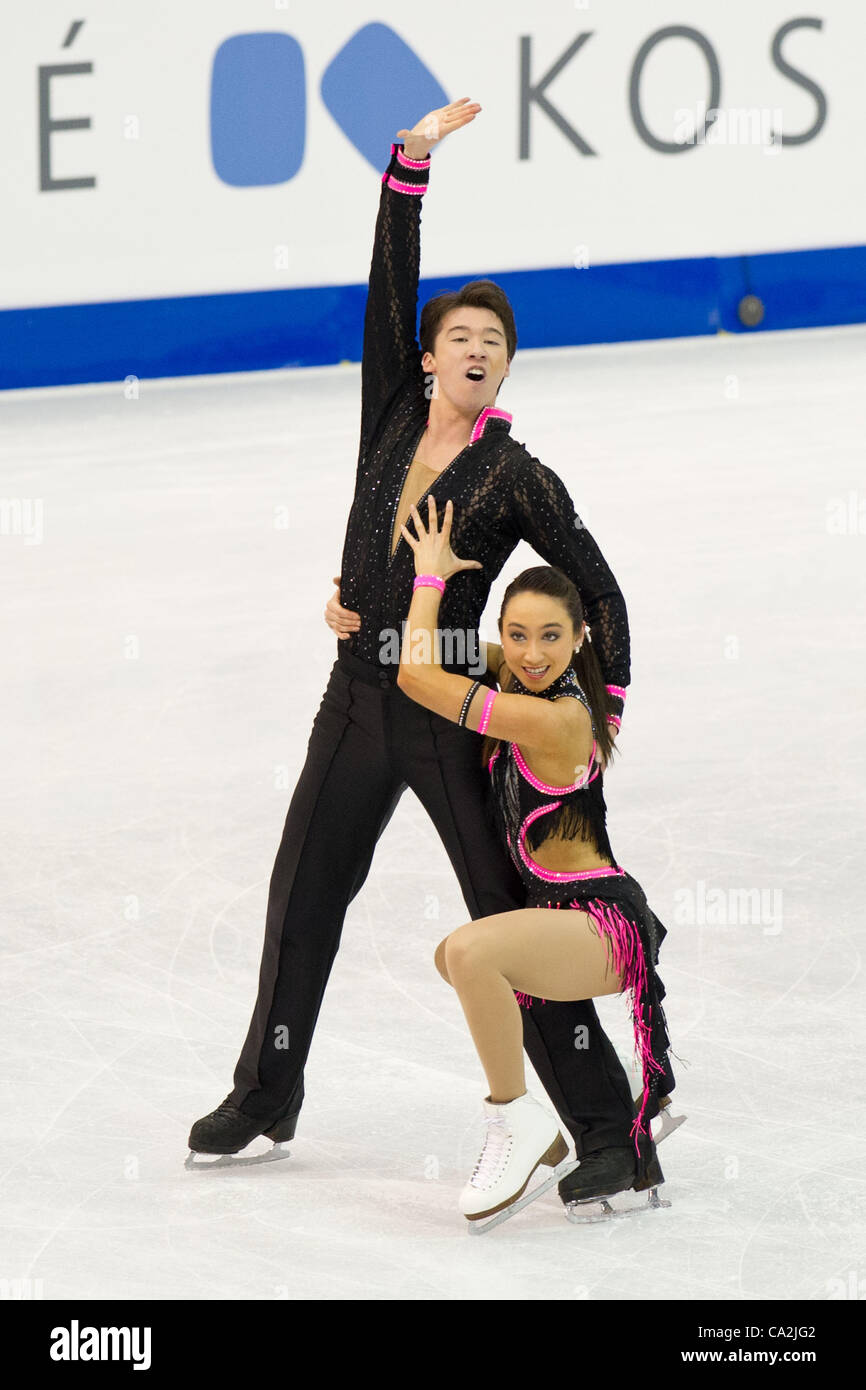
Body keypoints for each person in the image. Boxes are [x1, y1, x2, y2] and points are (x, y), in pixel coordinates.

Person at [188, 98, 668, 1207]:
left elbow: (594, 580)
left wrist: (612, 701)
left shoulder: (516, 476)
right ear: (430, 355)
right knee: (302, 887)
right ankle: (267, 1088)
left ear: (506, 371)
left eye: (493, 345)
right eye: (458, 337)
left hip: (449, 699)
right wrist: (408, 168)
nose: (474, 351)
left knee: (512, 916)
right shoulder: (392, 410)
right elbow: (388, 287)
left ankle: (607, 1129)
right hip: (355, 691)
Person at [395, 496, 672, 1221]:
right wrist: (355, 613)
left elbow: (417, 678)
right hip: (565, 919)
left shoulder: (556, 715)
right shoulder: (520, 679)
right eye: (515, 636)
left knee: (473, 954)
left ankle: (516, 1120)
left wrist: (428, 581)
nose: (531, 653)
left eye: (551, 636)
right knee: (454, 959)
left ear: (579, 636)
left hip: (601, 925)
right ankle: (613, 1129)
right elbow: (429, 651)